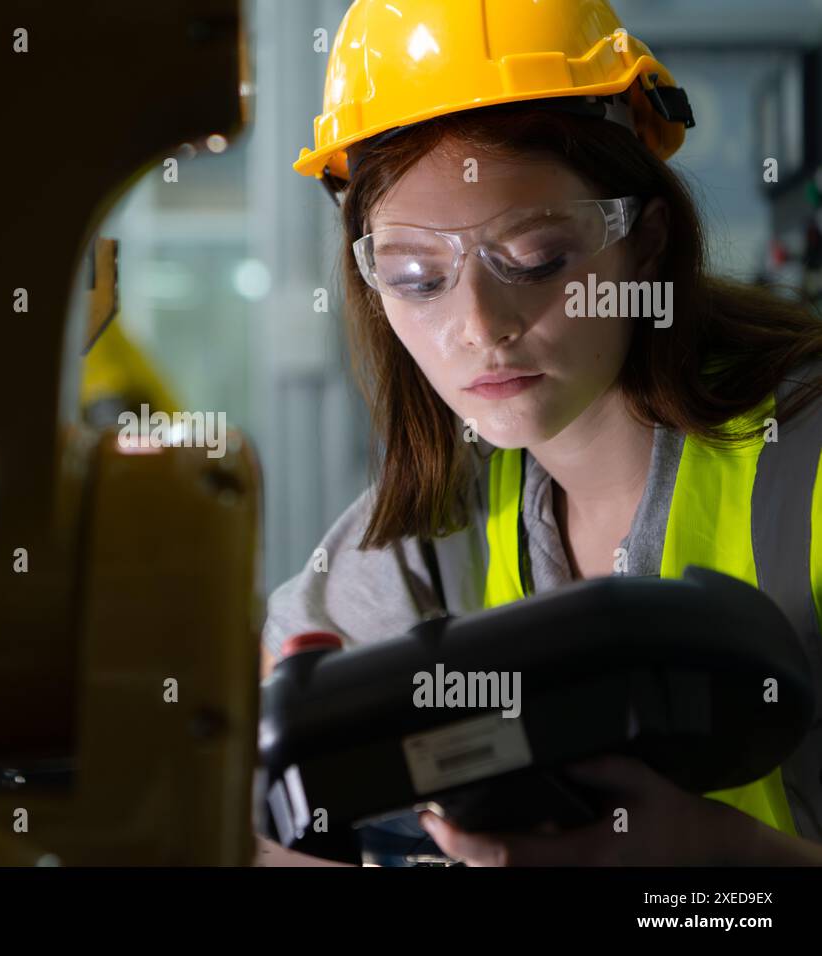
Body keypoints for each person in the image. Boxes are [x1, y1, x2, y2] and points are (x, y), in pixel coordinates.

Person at [261, 0, 822, 865]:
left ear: (644, 242)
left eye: (535, 262)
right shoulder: (440, 529)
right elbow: (245, 768)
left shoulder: (807, 469)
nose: (479, 326)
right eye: (417, 277)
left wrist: (728, 876)